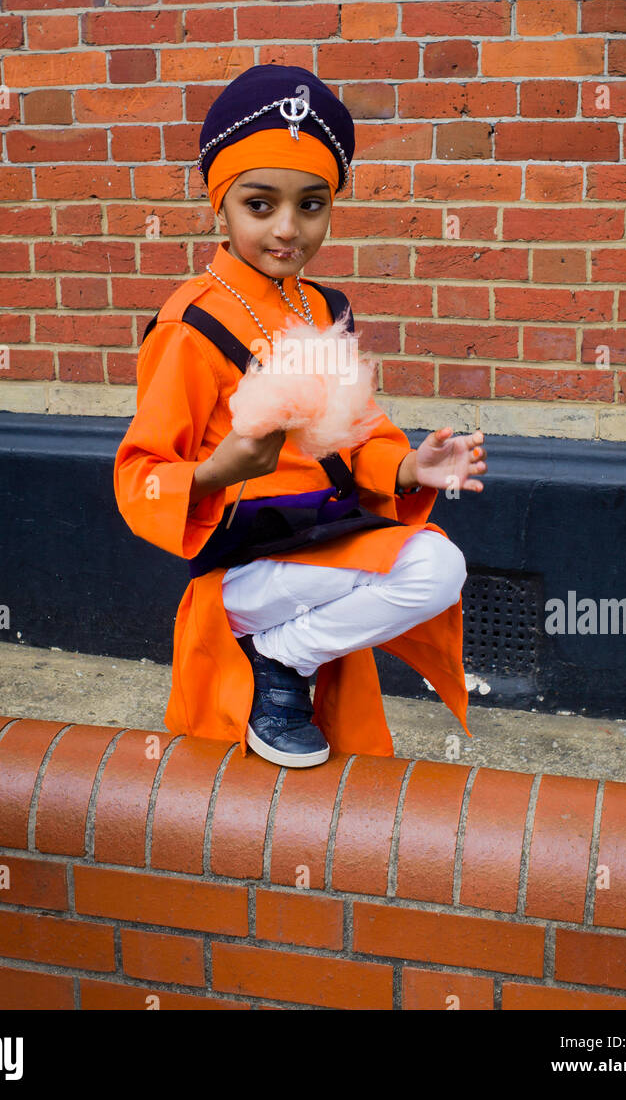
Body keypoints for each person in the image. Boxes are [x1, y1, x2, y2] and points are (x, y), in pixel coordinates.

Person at [113, 63, 488, 768]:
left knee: (438, 565)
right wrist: (216, 470)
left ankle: (282, 659)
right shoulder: (188, 325)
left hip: (321, 547)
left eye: (311, 205)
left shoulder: (322, 309)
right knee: (428, 567)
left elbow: (360, 438)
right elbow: (138, 479)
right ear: (217, 207)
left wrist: (410, 466)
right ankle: (276, 654)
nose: (288, 230)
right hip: (245, 574)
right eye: (260, 205)